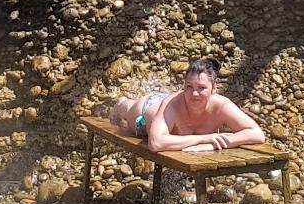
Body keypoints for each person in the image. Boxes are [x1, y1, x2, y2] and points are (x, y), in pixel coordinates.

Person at [111, 60, 265, 152]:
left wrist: (214, 145)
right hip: (147, 109)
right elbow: (156, 143)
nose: (194, 94)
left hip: (166, 109)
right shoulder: (172, 104)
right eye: (189, 87)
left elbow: (257, 134)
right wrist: (206, 138)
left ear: (214, 89)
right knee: (127, 108)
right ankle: (121, 103)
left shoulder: (222, 105)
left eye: (201, 88)